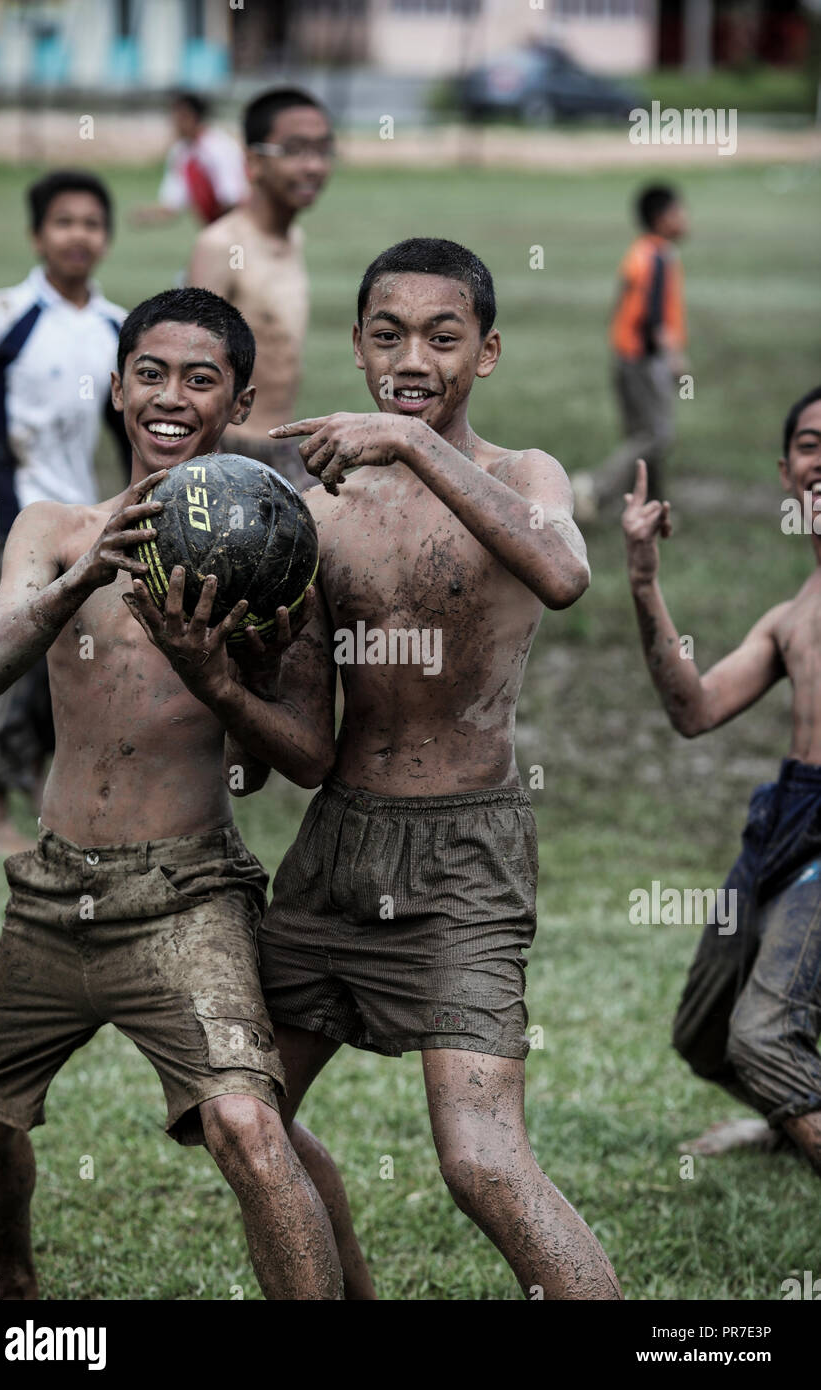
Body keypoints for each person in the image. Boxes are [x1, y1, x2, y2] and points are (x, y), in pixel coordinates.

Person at [152, 237, 621, 1299]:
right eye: (386, 335)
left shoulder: (519, 475)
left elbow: (560, 572)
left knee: (482, 1165)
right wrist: (223, 683)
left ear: (486, 353)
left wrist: (409, 448)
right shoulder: (317, 516)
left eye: (441, 337)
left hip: (465, 857)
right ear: (357, 350)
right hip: (339, 850)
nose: (412, 357)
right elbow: (306, 751)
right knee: (240, 1114)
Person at [0, 287, 341, 1300]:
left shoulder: (273, 554)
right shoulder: (53, 525)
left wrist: (224, 682)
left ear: (240, 398)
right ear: (117, 386)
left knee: (249, 1125)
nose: (171, 397)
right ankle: (7, 1269)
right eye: (151, 372)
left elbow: (299, 756)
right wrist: (79, 577)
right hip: (53, 891)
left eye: (201, 379)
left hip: (186, 894)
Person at [621, 385, 821, 1177]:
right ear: (785, 471)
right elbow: (694, 709)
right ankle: (791, 1113)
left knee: (764, 1036)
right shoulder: (792, 615)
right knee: (704, 1038)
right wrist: (643, 581)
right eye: (810, 444)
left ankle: (791, 1090)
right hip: (788, 818)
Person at [0, 169, 130, 855]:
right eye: (63, 222)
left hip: (76, 515)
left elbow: (127, 433)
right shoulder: (4, 318)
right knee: (7, 648)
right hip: (11, 513)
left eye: (91, 223)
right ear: (37, 234)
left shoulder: (116, 328)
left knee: (75, 648)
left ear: (107, 237)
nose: (78, 235)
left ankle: (43, 785)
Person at [187, 87, 334, 491]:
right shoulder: (220, 246)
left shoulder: (294, 238)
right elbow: (190, 367)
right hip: (230, 455)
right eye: (295, 150)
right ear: (253, 161)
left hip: (284, 447)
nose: (313, 165)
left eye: (323, 150)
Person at [574, 184, 689, 521]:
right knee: (655, 435)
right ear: (662, 218)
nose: (686, 219)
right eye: (680, 212)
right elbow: (653, 314)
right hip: (643, 357)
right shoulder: (658, 256)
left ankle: (653, 508)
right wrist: (672, 354)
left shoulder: (639, 252)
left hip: (626, 354)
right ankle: (593, 487)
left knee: (644, 435)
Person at [131, 91, 247, 228]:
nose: (174, 123)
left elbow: (232, 198)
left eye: (179, 117)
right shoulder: (180, 152)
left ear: (193, 118)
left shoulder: (219, 148)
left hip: (237, 225)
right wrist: (147, 214)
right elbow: (172, 203)